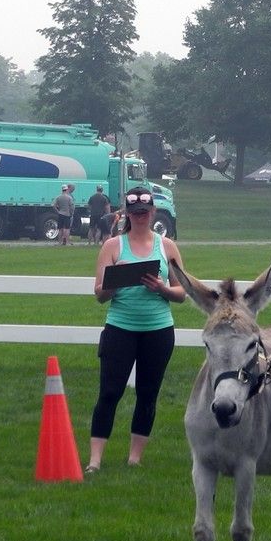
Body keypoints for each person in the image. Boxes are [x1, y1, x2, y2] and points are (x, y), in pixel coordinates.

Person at [87, 186, 186, 472]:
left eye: (144, 211)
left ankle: (134, 459)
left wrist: (162, 288)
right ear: (127, 214)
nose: (140, 216)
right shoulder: (113, 246)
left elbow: (182, 293)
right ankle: (95, 461)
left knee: (147, 393)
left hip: (158, 330)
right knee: (109, 392)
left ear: (152, 212)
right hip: (120, 328)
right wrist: (116, 280)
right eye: (135, 212)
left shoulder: (167, 247)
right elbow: (99, 294)